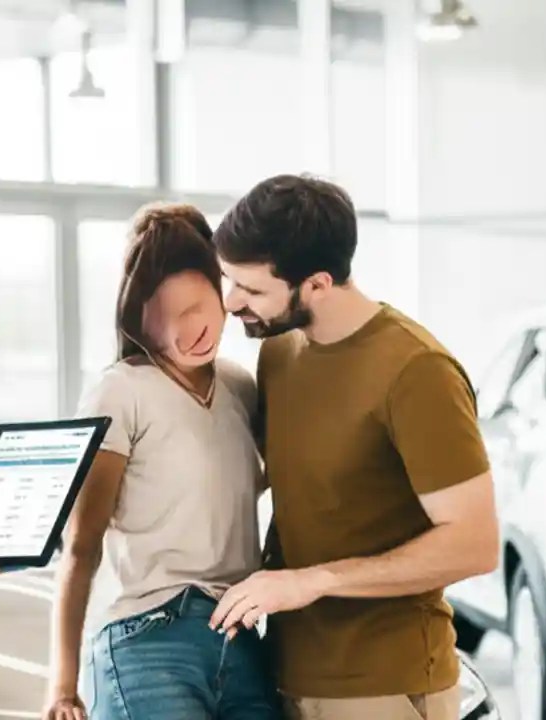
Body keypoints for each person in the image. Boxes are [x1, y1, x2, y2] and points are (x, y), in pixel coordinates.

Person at [208, 174, 500, 720]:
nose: (229, 303)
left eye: (250, 289)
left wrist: (316, 581)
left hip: (384, 684)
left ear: (317, 284)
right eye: (228, 280)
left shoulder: (417, 373)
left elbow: (475, 544)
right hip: (286, 670)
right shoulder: (278, 354)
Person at [43, 203, 282, 720]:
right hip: (147, 637)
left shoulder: (240, 385)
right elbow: (81, 547)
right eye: (172, 317)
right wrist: (62, 686)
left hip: (239, 637)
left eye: (203, 307)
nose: (193, 330)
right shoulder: (120, 391)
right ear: (140, 318)